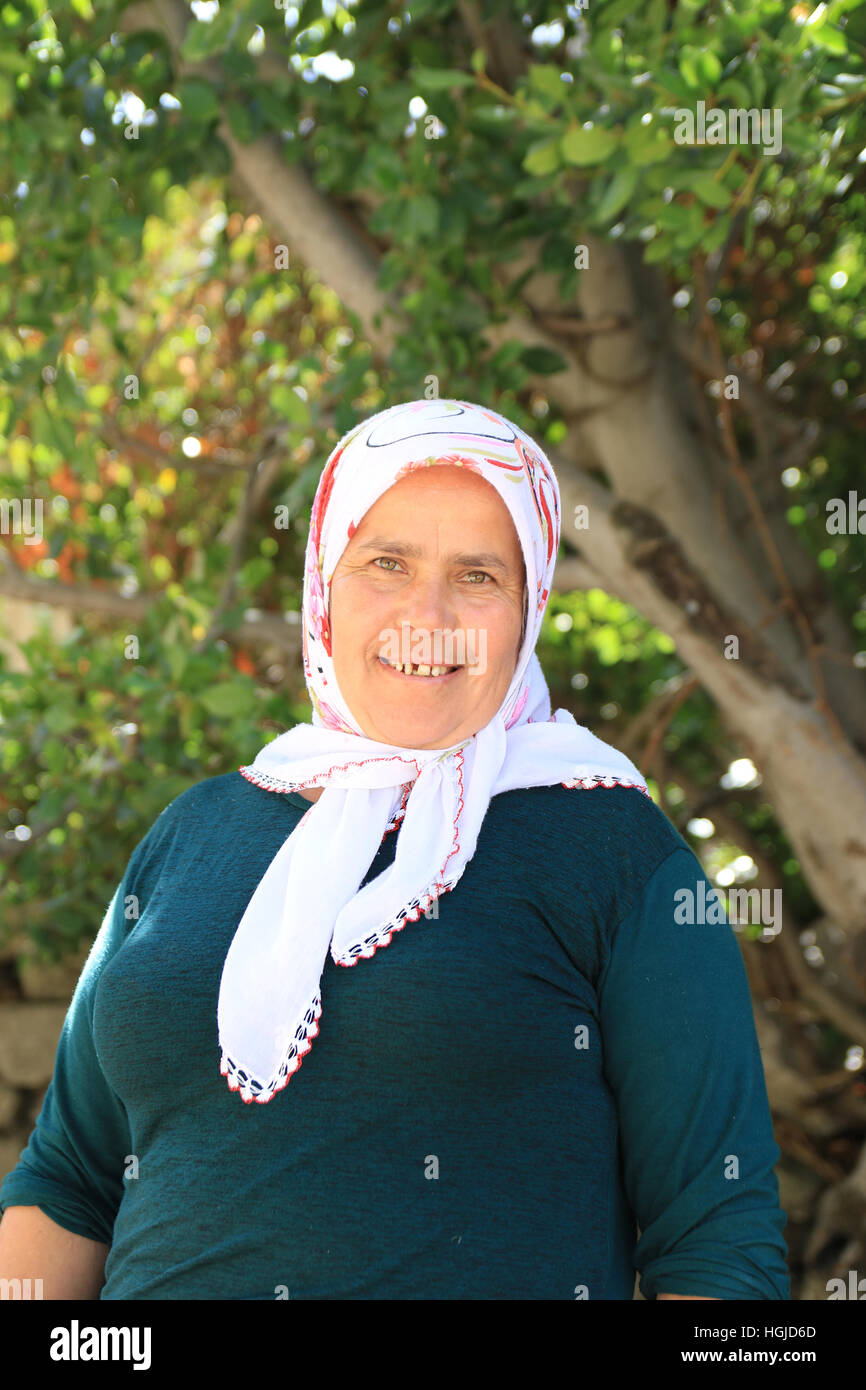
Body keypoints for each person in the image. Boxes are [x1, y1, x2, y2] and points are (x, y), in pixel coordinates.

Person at [0, 397, 790, 1299]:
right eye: (386, 563)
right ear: (323, 586)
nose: (427, 614)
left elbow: (719, 1241)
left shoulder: (611, 849)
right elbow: (69, 1180)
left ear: (529, 606)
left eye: (479, 575)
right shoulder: (196, 830)